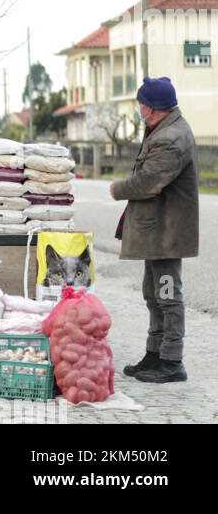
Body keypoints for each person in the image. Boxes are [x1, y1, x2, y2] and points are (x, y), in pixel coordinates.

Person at [110, 76, 199, 383]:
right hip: (157, 230)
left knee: (168, 295)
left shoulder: (170, 137)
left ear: (150, 107)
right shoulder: (161, 129)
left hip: (167, 232)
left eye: (140, 104)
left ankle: (172, 362)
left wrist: (118, 188)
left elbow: (149, 182)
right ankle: (155, 354)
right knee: (153, 294)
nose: (139, 109)